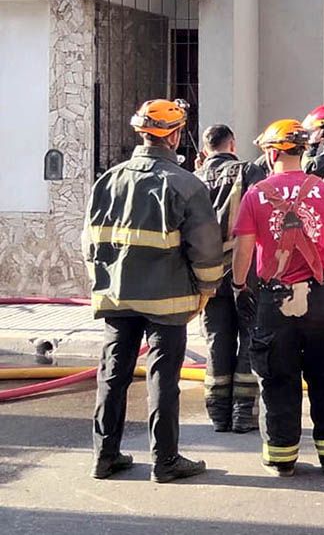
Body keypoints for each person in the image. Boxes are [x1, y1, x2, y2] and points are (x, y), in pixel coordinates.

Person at [83, 99, 223, 483]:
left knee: (113, 376)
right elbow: (206, 249)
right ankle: (165, 461)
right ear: (174, 136)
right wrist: (207, 287)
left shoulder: (108, 181)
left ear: (141, 133)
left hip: (117, 295)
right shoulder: (186, 185)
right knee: (163, 378)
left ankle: (104, 457)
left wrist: (104, 281)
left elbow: (89, 243)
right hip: (168, 300)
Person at [231, 119, 324, 477]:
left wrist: (240, 286)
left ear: (272, 153)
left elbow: (243, 250)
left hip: (274, 302)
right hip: (321, 298)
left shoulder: (255, 194)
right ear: (303, 150)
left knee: (277, 378)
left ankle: (281, 458)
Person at [194, 124, 268, 433]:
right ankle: (243, 412)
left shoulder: (193, 178)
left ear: (205, 149)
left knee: (216, 337)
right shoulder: (248, 171)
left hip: (206, 272)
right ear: (232, 145)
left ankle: (218, 412)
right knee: (250, 333)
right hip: (244, 267)